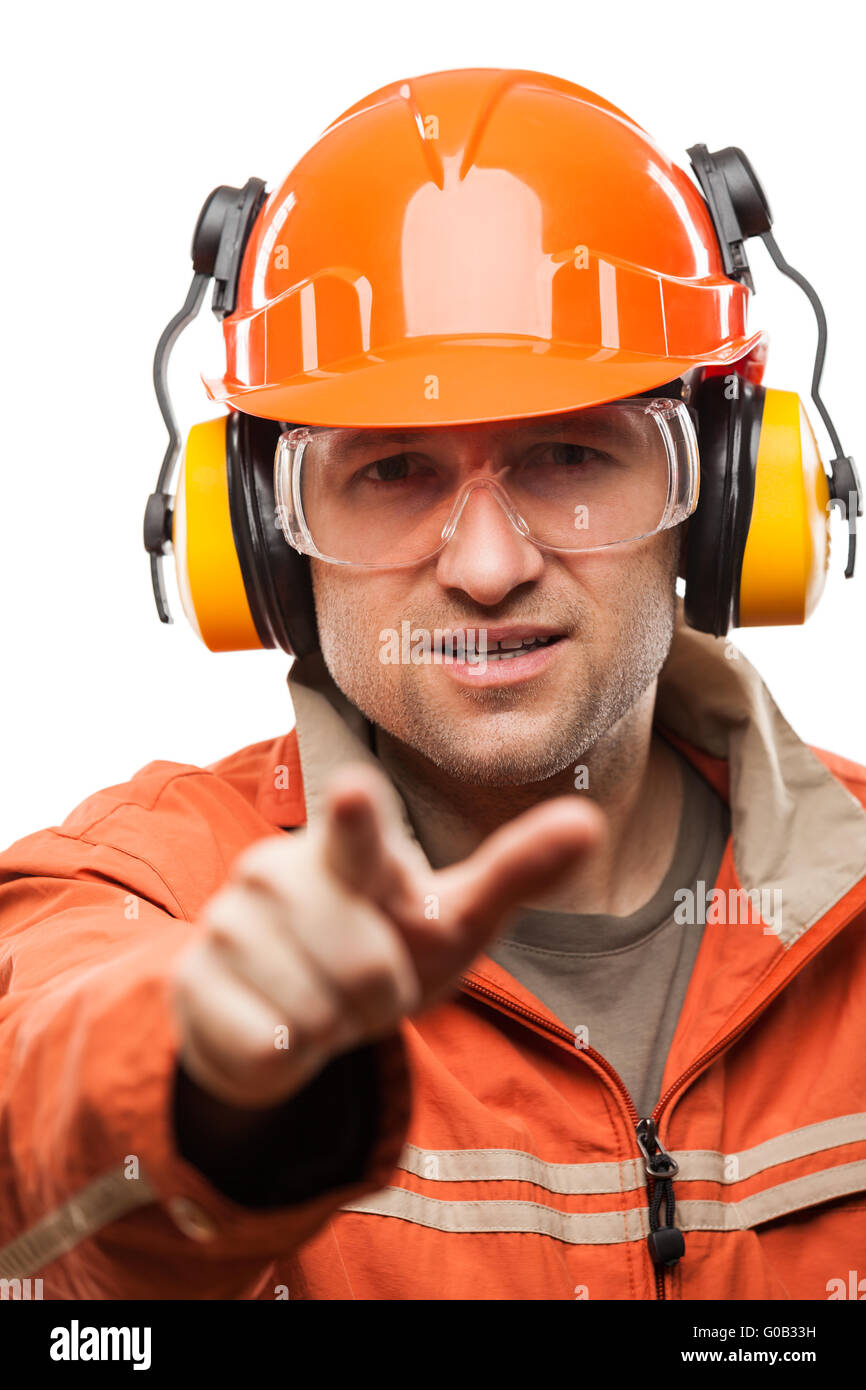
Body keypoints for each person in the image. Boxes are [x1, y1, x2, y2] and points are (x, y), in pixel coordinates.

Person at [1, 68, 864, 1303]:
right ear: (261, 538)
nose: (488, 564)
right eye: (394, 470)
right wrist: (206, 1077)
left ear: (725, 492)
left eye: (570, 454)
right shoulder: (135, 897)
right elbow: (39, 1178)